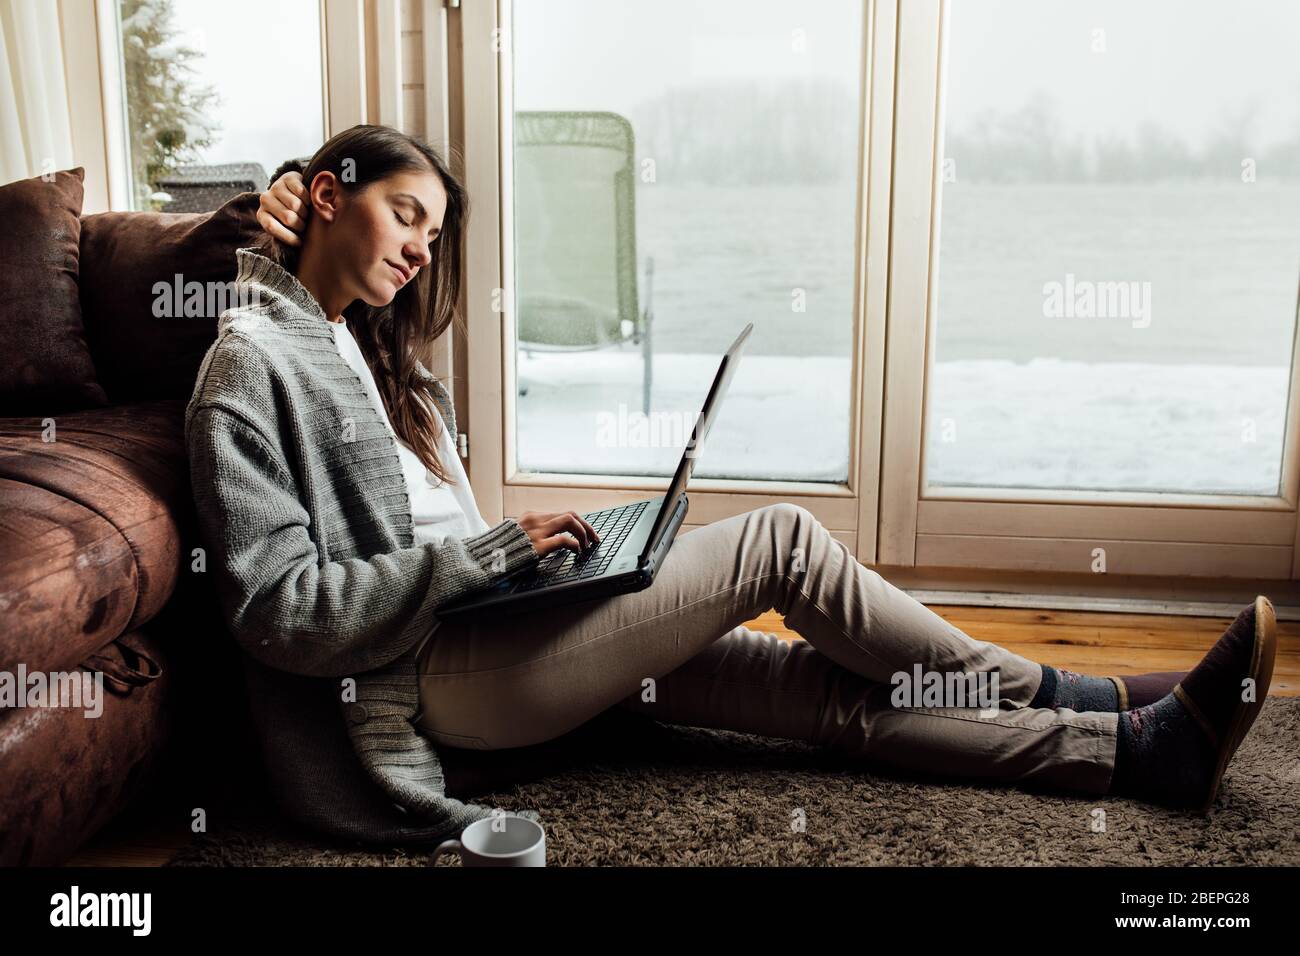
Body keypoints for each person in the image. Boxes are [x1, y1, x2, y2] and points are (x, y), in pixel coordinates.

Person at [188, 123, 1278, 850]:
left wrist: (542, 568)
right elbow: (278, 613)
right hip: (435, 679)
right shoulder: (249, 366)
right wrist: (490, 554)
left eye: (436, 229)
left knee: (814, 692)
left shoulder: (372, 358)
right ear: (324, 197)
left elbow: (431, 540)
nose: (424, 248)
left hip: (504, 633)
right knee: (782, 542)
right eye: (406, 213)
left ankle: (1132, 749)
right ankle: (1068, 687)